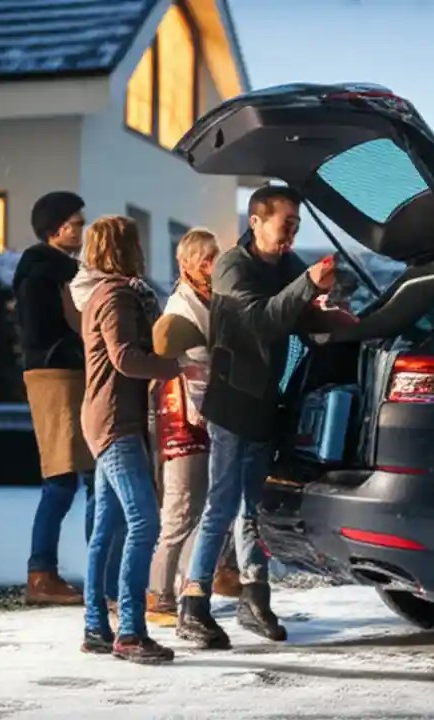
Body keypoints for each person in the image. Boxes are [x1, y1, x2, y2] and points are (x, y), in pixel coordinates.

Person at [176, 186, 356, 649]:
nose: (291, 234)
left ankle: (255, 597)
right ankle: (192, 604)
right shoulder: (232, 267)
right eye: (285, 224)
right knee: (221, 504)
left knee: (253, 506)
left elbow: (301, 316)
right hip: (233, 405)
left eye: (297, 226)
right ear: (256, 221)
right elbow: (261, 322)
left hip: (265, 406)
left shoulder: (288, 266)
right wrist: (306, 289)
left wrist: (340, 317)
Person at [74, 215, 182, 664]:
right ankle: (131, 633)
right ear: (123, 249)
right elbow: (124, 358)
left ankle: (96, 627)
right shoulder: (117, 295)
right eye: (135, 243)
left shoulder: (99, 293)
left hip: (104, 418)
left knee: (107, 527)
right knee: (145, 523)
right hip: (117, 421)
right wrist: (175, 367)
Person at [145, 228, 242, 627]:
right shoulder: (180, 307)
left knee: (210, 506)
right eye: (205, 259)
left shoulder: (213, 299)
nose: (212, 265)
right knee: (181, 511)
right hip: (182, 416)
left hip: (210, 414)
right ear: (186, 265)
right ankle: (159, 595)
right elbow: (185, 352)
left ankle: (206, 578)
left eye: (215, 257)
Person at [13, 190, 95, 605]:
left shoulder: (56, 270)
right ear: (56, 229)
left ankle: (54, 573)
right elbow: (44, 332)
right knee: (63, 480)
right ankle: (43, 575)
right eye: (76, 223)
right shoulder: (44, 274)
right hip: (57, 378)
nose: (82, 228)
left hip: (63, 375)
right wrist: (79, 348)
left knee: (74, 478)